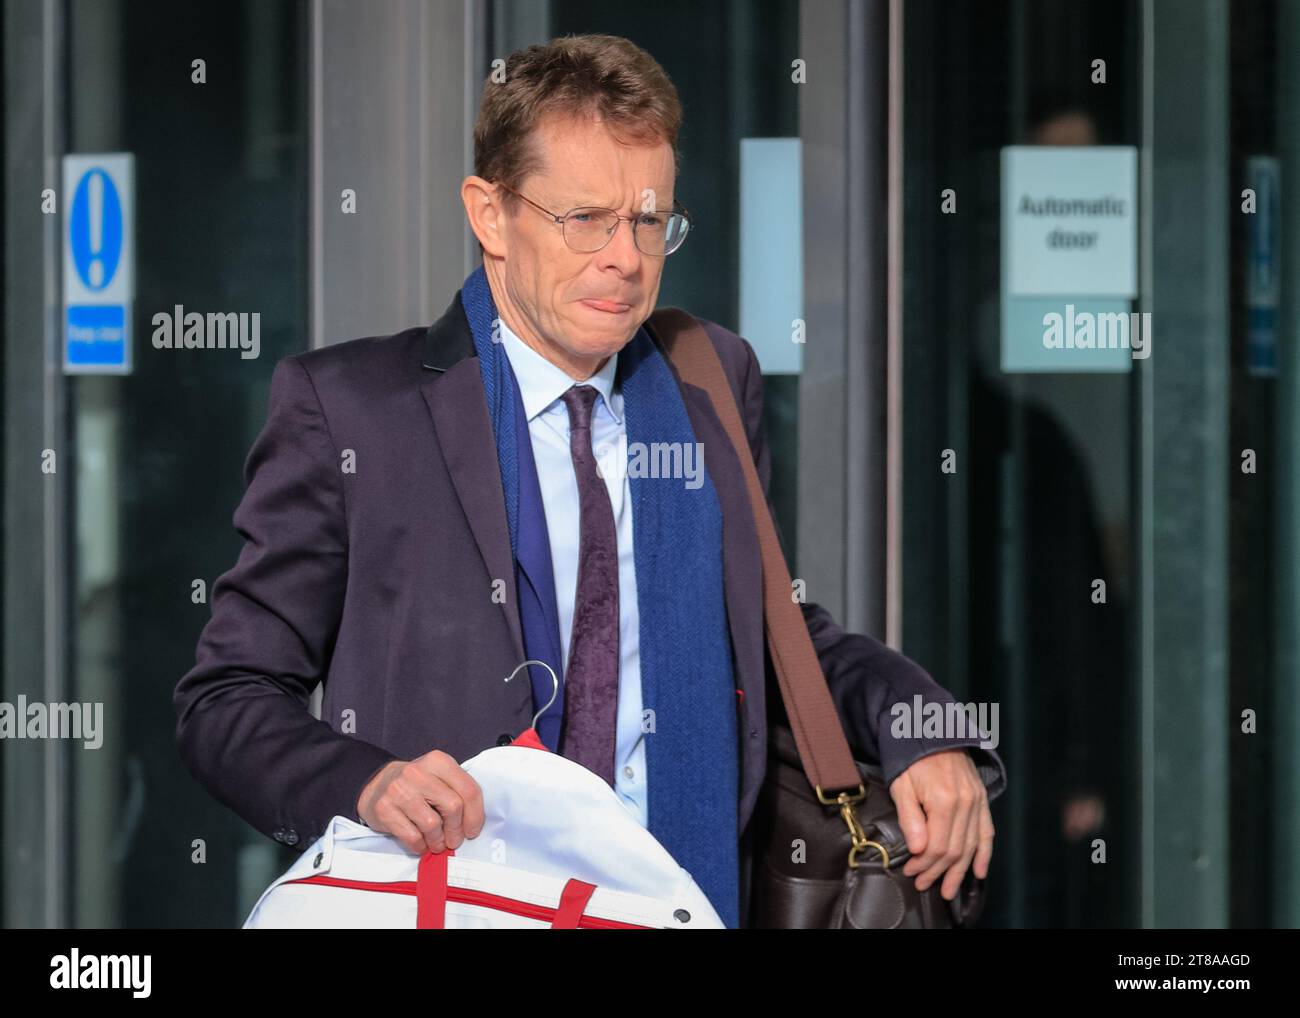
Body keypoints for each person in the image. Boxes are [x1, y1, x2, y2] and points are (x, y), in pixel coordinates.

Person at [173, 33, 1005, 929]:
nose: (625, 257)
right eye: (587, 219)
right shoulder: (350, 411)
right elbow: (226, 700)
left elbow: (768, 634)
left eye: (650, 221)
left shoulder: (709, 379)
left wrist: (923, 729)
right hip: (454, 904)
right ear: (490, 214)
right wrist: (365, 782)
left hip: (682, 904)